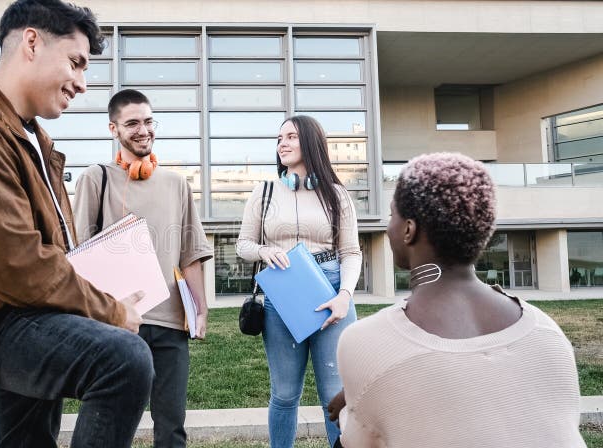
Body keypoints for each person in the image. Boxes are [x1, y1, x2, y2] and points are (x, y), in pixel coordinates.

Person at [0, 2, 154, 447]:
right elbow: (17, 265)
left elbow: (53, 246)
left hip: (32, 311)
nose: (82, 83)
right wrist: (112, 311)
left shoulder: (30, 135)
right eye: (76, 63)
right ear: (32, 42)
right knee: (125, 359)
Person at [328, 152, 585, 448]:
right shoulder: (548, 333)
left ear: (409, 230)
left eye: (391, 215)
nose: (389, 227)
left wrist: (356, 399)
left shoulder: (364, 340)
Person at [73, 89, 213, 448]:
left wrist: (200, 310)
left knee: (171, 426)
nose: (142, 130)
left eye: (148, 121)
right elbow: (78, 256)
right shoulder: (95, 178)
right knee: (113, 425)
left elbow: (191, 254)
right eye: (132, 123)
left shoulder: (177, 183)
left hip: (169, 325)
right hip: (116, 324)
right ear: (113, 129)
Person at [236, 115, 362, 448]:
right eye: (279, 138)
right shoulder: (264, 192)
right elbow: (242, 244)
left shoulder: (337, 195)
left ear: (310, 141)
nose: (283, 143)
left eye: (291, 136)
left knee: (333, 394)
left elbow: (352, 252)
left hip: (331, 292)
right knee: (285, 393)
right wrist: (265, 251)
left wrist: (344, 296)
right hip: (282, 295)